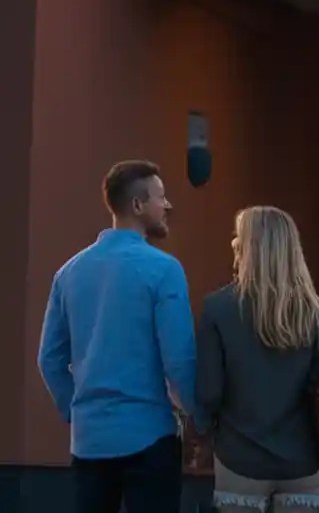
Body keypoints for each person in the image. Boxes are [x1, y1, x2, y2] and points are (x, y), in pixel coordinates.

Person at [37, 160, 199, 513]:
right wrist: (199, 420)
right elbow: (179, 359)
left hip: (89, 441)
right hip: (150, 436)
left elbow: (49, 359)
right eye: (161, 197)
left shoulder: (69, 273)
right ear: (138, 206)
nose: (167, 205)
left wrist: (74, 409)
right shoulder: (164, 270)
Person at [197, 206, 319, 512]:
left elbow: (209, 393)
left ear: (247, 246)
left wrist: (200, 431)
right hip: (303, 459)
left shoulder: (218, 308)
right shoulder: (314, 312)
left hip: (239, 457)